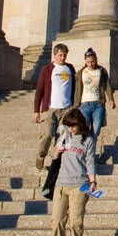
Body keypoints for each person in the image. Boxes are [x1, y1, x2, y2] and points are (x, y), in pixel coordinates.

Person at [45, 108, 97, 236]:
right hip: (61, 184)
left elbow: (90, 161)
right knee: (57, 220)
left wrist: (93, 181)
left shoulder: (87, 140)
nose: (71, 128)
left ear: (80, 124)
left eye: (73, 125)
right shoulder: (64, 137)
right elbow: (55, 160)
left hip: (80, 185)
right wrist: (56, 152)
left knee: (75, 221)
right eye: (68, 125)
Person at [33, 43, 77, 173]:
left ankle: (58, 163)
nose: (62, 58)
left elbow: (74, 87)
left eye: (64, 55)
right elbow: (39, 90)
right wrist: (36, 111)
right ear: (55, 55)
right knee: (47, 135)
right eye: (60, 55)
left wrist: (74, 106)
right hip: (50, 108)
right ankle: (41, 155)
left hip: (66, 109)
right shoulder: (47, 69)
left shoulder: (70, 68)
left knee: (64, 138)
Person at [73, 49, 115, 154]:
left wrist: (110, 99)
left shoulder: (102, 71)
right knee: (85, 130)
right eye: (88, 62)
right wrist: (75, 105)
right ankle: (85, 151)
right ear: (85, 61)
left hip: (98, 105)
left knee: (95, 131)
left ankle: (90, 150)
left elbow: (107, 86)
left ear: (96, 60)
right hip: (84, 104)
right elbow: (77, 89)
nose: (90, 64)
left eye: (92, 61)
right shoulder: (81, 73)